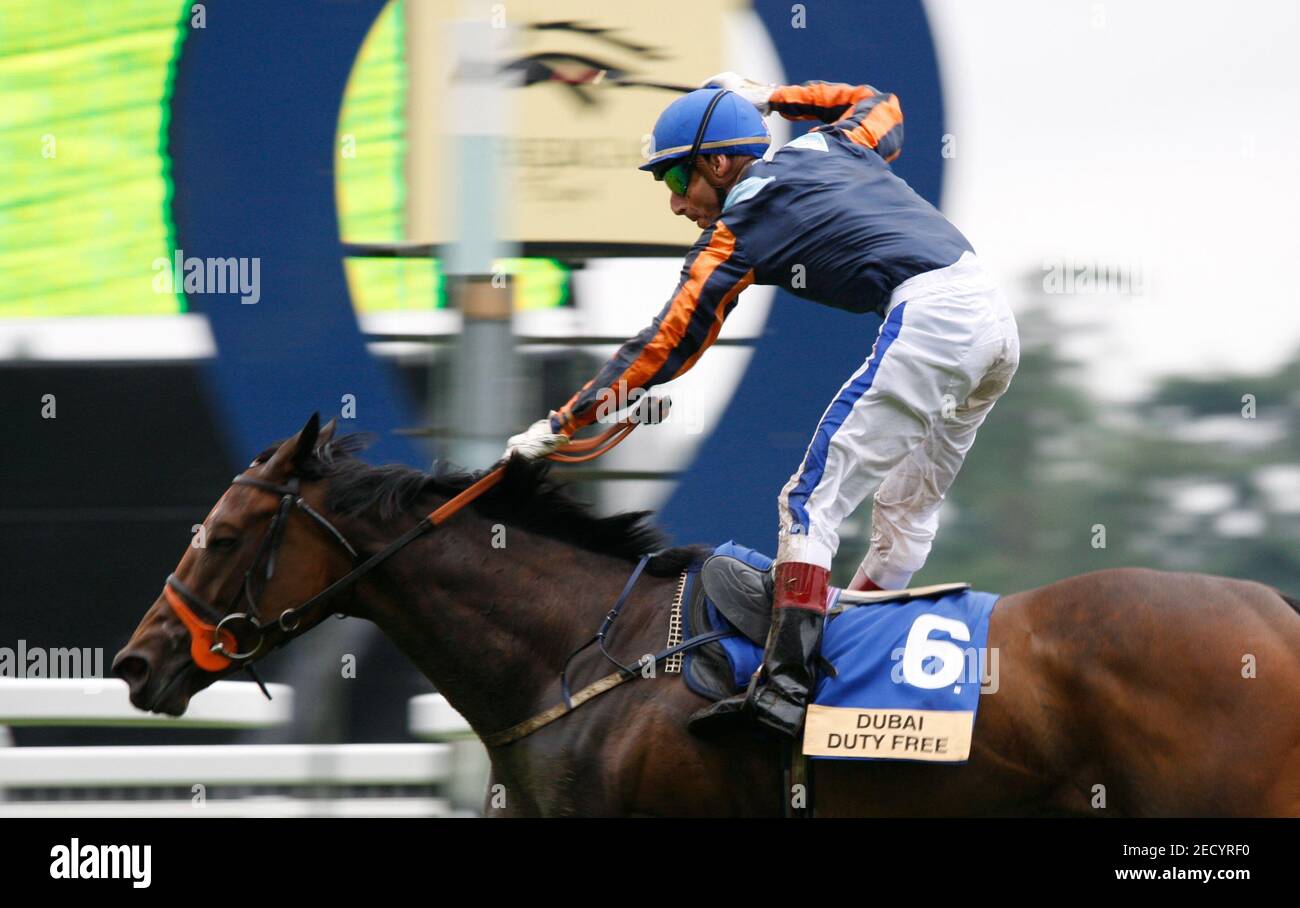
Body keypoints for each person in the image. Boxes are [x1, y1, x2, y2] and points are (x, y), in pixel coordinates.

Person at [503, 73, 1020, 739]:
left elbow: (667, 342)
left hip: (935, 321)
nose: (674, 204)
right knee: (904, 512)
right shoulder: (833, 147)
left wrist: (561, 422)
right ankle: (858, 641)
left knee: (808, 504)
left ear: (718, 164)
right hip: (995, 327)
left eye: (673, 180)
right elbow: (881, 105)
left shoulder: (739, 224)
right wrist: (773, 95)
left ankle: (785, 688)